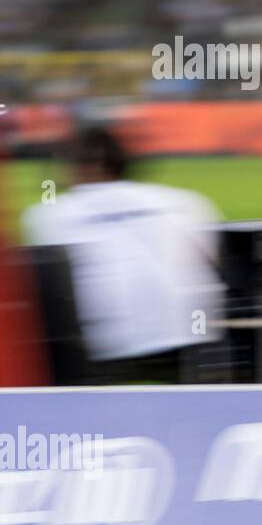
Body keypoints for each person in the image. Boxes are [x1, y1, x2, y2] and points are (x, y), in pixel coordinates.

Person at [21, 125, 225, 383]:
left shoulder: (49, 215)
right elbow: (211, 263)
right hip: (193, 336)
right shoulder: (188, 202)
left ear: (80, 166)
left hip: (107, 348)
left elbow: (47, 289)